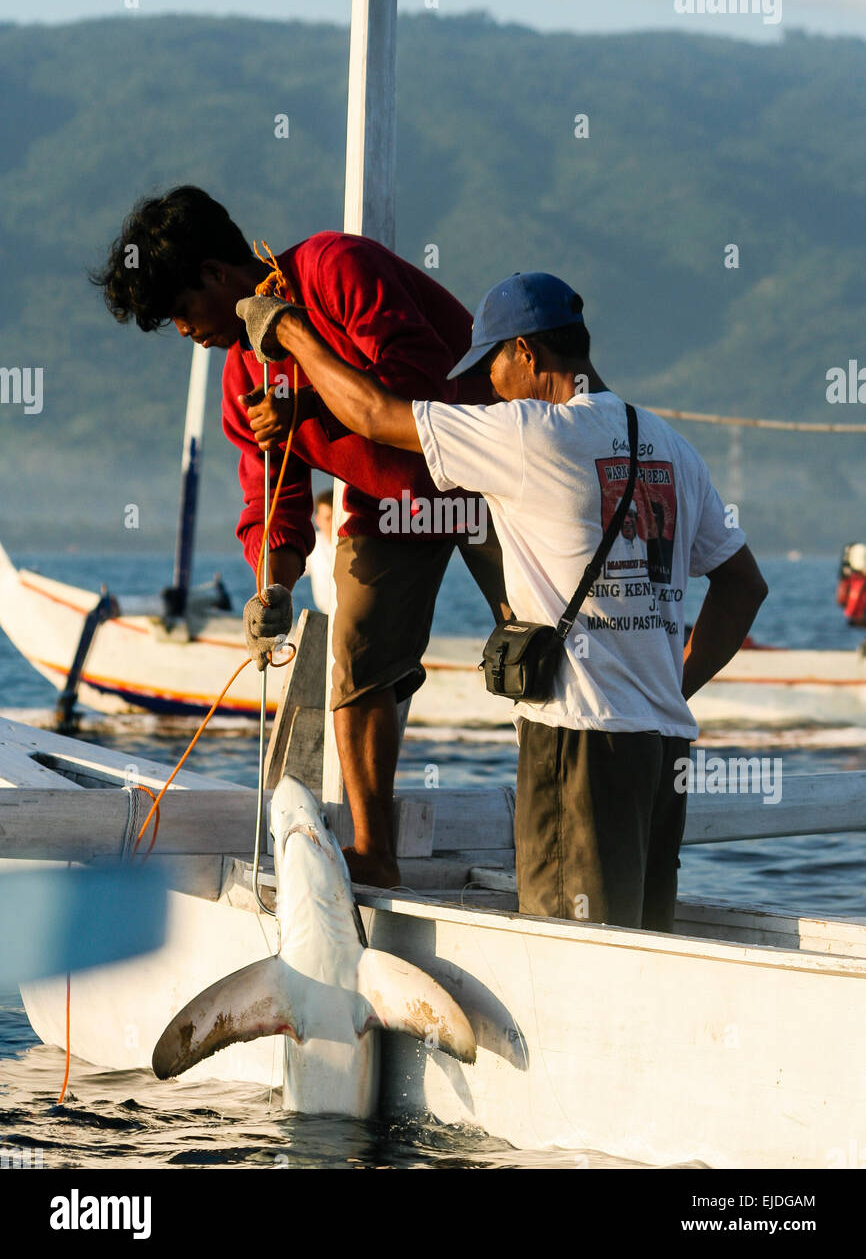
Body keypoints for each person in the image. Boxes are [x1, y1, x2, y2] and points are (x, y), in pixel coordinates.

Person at [236, 270, 769, 932]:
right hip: (662, 749)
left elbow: (373, 413)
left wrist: (288, 328)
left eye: (490, 364)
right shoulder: (670, 446)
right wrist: (670, 684)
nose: (485, 384)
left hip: (576, 741)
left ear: (527, 353)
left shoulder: (528, 434)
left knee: (575, 951)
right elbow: (745, 584)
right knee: (639, 943)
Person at [93, 186, 511, 888]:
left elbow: (421, 387)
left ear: (216, 276)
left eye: (183, 313)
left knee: (540, 648)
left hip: (495, 467)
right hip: (394, 501)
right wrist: (274, 588)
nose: (186, 333)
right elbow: (275, 505)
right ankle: (374, 852)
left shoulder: (336, 267)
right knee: (357, 658)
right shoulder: (237, 381)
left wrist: (307, 397)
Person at [307, 488, 334, 612]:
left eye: (335, 517)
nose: (333, 523)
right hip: (325, 613)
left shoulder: (354, 545)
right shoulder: (313, 544)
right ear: (318, 520)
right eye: (328, 518)